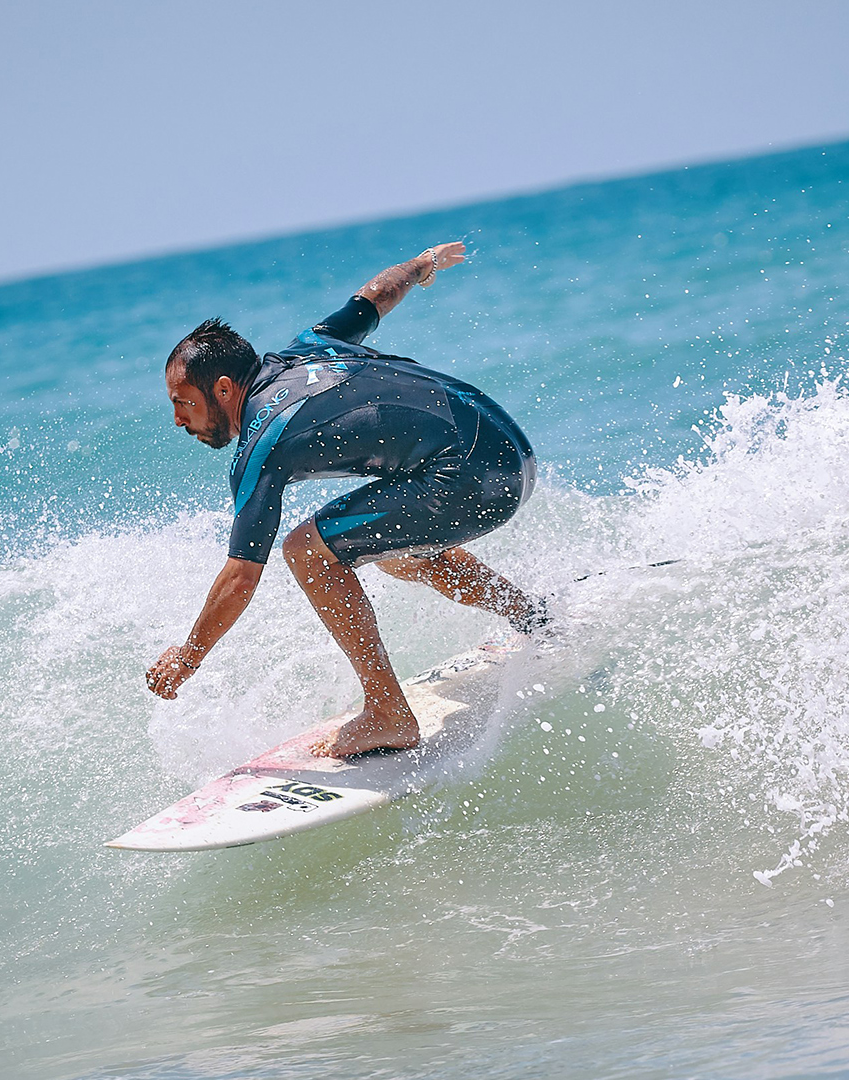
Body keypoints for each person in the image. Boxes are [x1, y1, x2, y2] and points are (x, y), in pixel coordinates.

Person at [144, 242, 547, 757]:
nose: (180, 420)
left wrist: (188, 655)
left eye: (183, 403)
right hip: (512, 452)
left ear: (223, 390)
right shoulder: (310, 345)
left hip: (471, 478)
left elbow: (241, 576)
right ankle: (532, 617)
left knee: (307, 551)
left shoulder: (261, 444)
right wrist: (422, 265)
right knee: (392, 552)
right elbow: (376, 295)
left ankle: (386, 712)